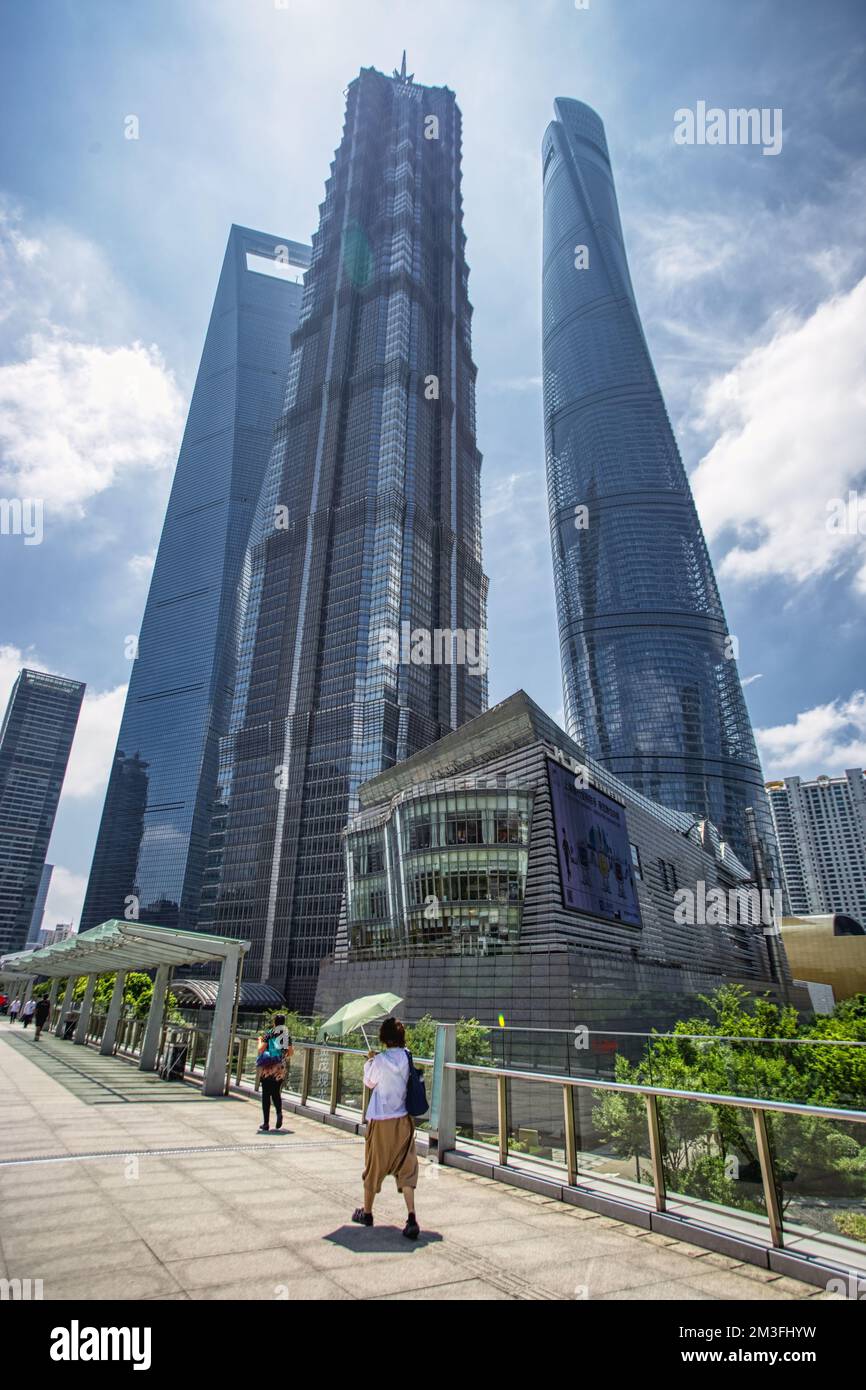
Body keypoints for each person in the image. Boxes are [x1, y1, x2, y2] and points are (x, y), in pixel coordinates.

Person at [352, 1016, 419, 1239]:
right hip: (403, 1120)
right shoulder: (407, 1056)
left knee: (374, 1166)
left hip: (381, 1121)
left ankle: (367, 1213)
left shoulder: (379, 1060)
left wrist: (370, 1061)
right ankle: (411, 1217)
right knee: (407, 1168)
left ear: (383, 1037)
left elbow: (369, 1083)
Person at [256, 1015, 293, 1133]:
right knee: (276, 1092)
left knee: (266, 1094)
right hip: (280, 1068)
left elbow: (261, 1049)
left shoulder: (269, 1034)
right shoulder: (286, 1035)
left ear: (274, 1023)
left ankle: (266, 1123)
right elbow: (290, 1052)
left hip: (268, 1067)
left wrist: (260, 1041)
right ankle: (279, 1113)